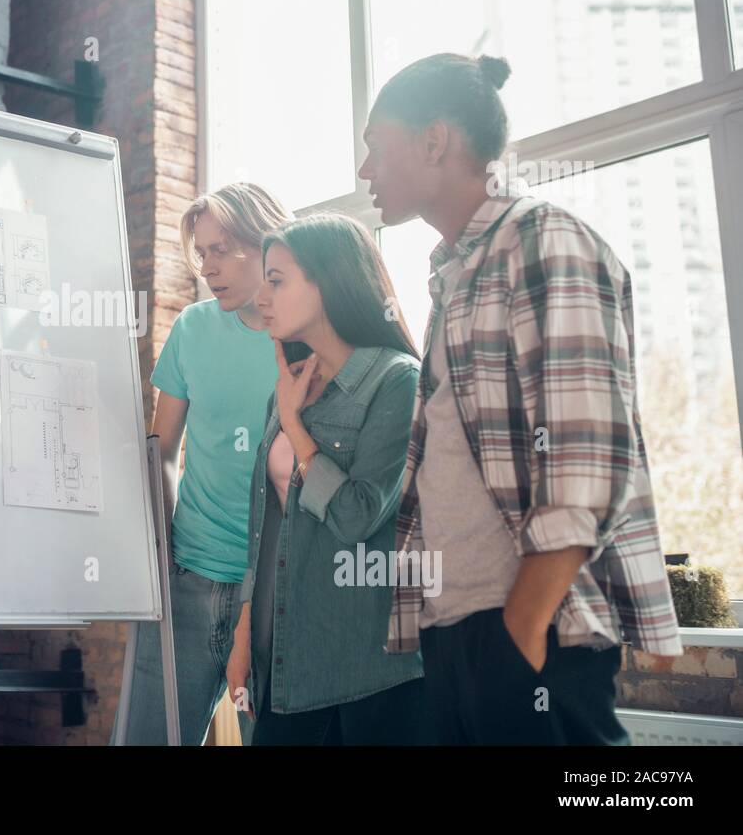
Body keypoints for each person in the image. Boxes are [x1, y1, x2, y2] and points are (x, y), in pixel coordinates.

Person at [360, 52, 683, 744]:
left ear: (434, 140)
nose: (365, 173)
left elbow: (586, 453)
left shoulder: (542, 242)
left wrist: (521, 628)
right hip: (458, 631)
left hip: (521, 629)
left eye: (374, 149)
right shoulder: (458, 272)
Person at [226, 213, 430, 745]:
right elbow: (265, 530)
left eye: (277, 280)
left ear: (331, 280)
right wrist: (245, 635)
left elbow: (357, 515)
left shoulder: (398, 379)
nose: (262, 295)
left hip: (367, 668)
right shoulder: (287, 388)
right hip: (286, 660)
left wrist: (295, 427)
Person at [114, 183, 291, 745]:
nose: (207, 267)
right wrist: (158, 559)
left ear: (265, 243)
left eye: (222, 249)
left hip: (272, 588)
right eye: (201, 252)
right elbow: (161, 453)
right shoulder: (192, 327)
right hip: (186, 578)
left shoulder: (306, 338)